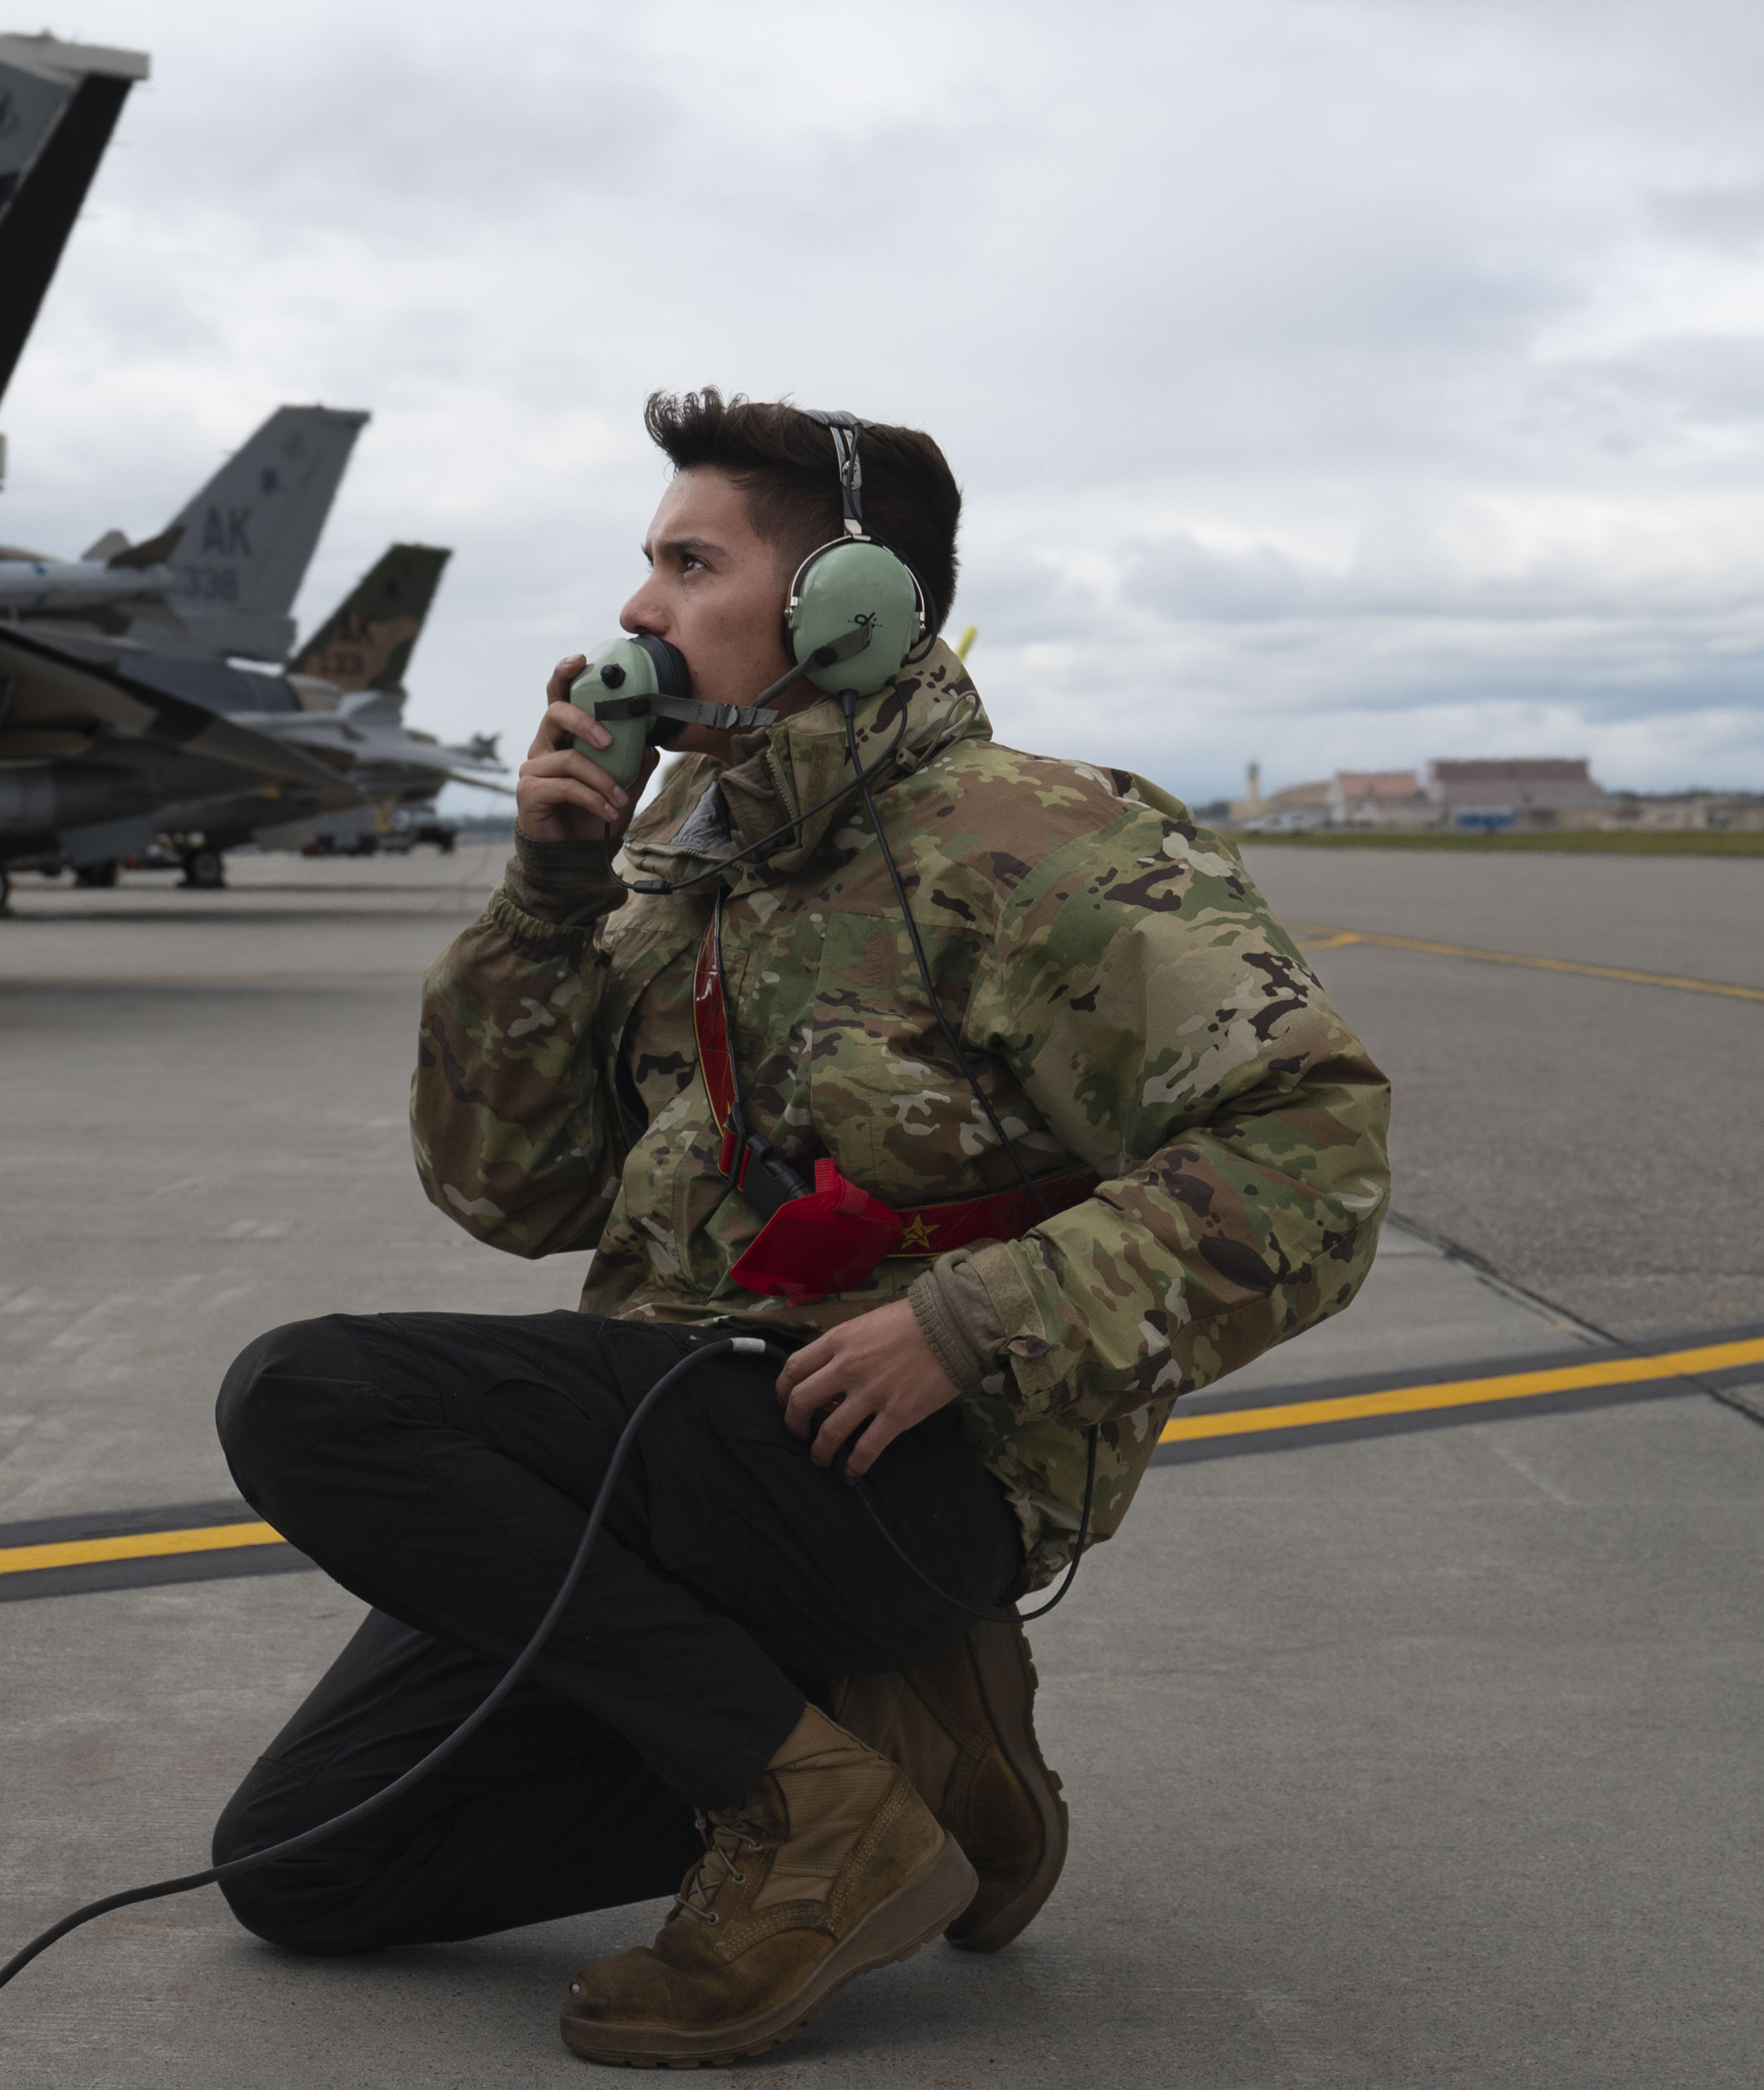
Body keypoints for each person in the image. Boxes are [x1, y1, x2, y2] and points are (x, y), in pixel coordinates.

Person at [207, 391, 1392, 2067]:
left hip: (904, 1469)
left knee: (309, 1396)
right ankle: (884, 1759)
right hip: (680, 1451)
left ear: (852, 601)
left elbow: (1313, 1150)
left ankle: (815, 1824)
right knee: (304, 1864)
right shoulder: (682, 868)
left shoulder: (1027, 840)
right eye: (647, 566)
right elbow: (511, 1196)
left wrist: (966, 1327)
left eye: (690, 564)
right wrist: (544, 898)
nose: (635, 613)